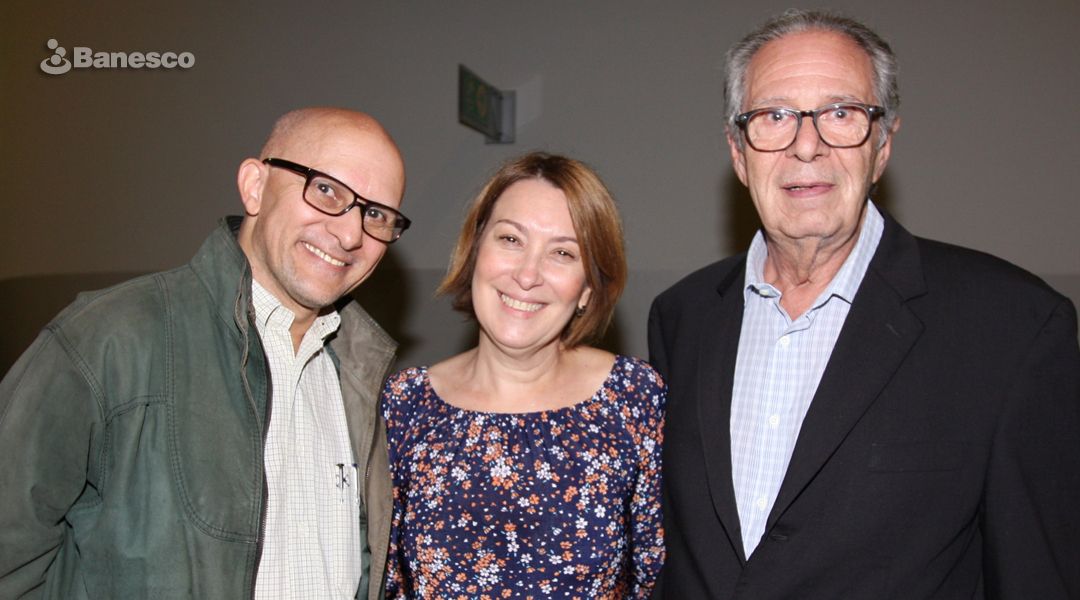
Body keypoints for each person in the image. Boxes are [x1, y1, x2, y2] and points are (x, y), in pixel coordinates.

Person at [648, 9, 1080, 599]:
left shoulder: (1014, 327)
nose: (807, 146)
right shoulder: (682, 317)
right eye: (774, 117)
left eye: (841, 114)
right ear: (738, 152)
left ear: (881, 146)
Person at [0, 107, 410, 599]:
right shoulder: (112, 339)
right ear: (254, 185)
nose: (350, 234)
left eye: (376, 214)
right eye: (326, 190)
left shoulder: (362, 385)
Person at [382, 153, 665, 599]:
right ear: (476, 251)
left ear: (587, 288)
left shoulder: (634, 399)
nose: (528, 275)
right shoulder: (405, 404)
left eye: (562, 253)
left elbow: (659, 576)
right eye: (511, 239)